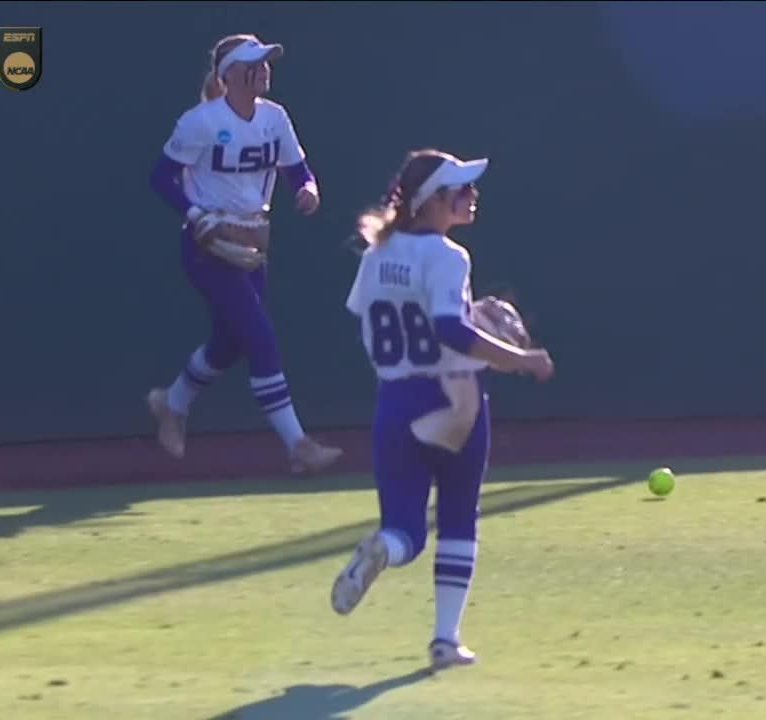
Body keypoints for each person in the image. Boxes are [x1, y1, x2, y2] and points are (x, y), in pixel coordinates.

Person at [332, 149, 555, 669]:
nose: (471, 195)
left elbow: (368, 318)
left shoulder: (376, 254)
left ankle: (384, 549)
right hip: (450, 396)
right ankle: (445, 639)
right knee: (458, 515)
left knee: (404, 530)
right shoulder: (450, 256)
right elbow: (449, 330)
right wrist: (519, 359)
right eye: (459, 190)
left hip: (393, 399)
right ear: (432, 202)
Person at [145, 33, 342, 474]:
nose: (264, 69)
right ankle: (298, 445)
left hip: (252, 244)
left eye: (266, 61)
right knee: (261, 338)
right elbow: (161, 178)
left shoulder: (274, 117)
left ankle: (171, 403)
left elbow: (298, 171)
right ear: (228, 75)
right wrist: (196, 215)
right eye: (254, 63)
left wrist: (308, 190)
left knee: (230, 342)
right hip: (207, 245)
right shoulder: (201, 121)